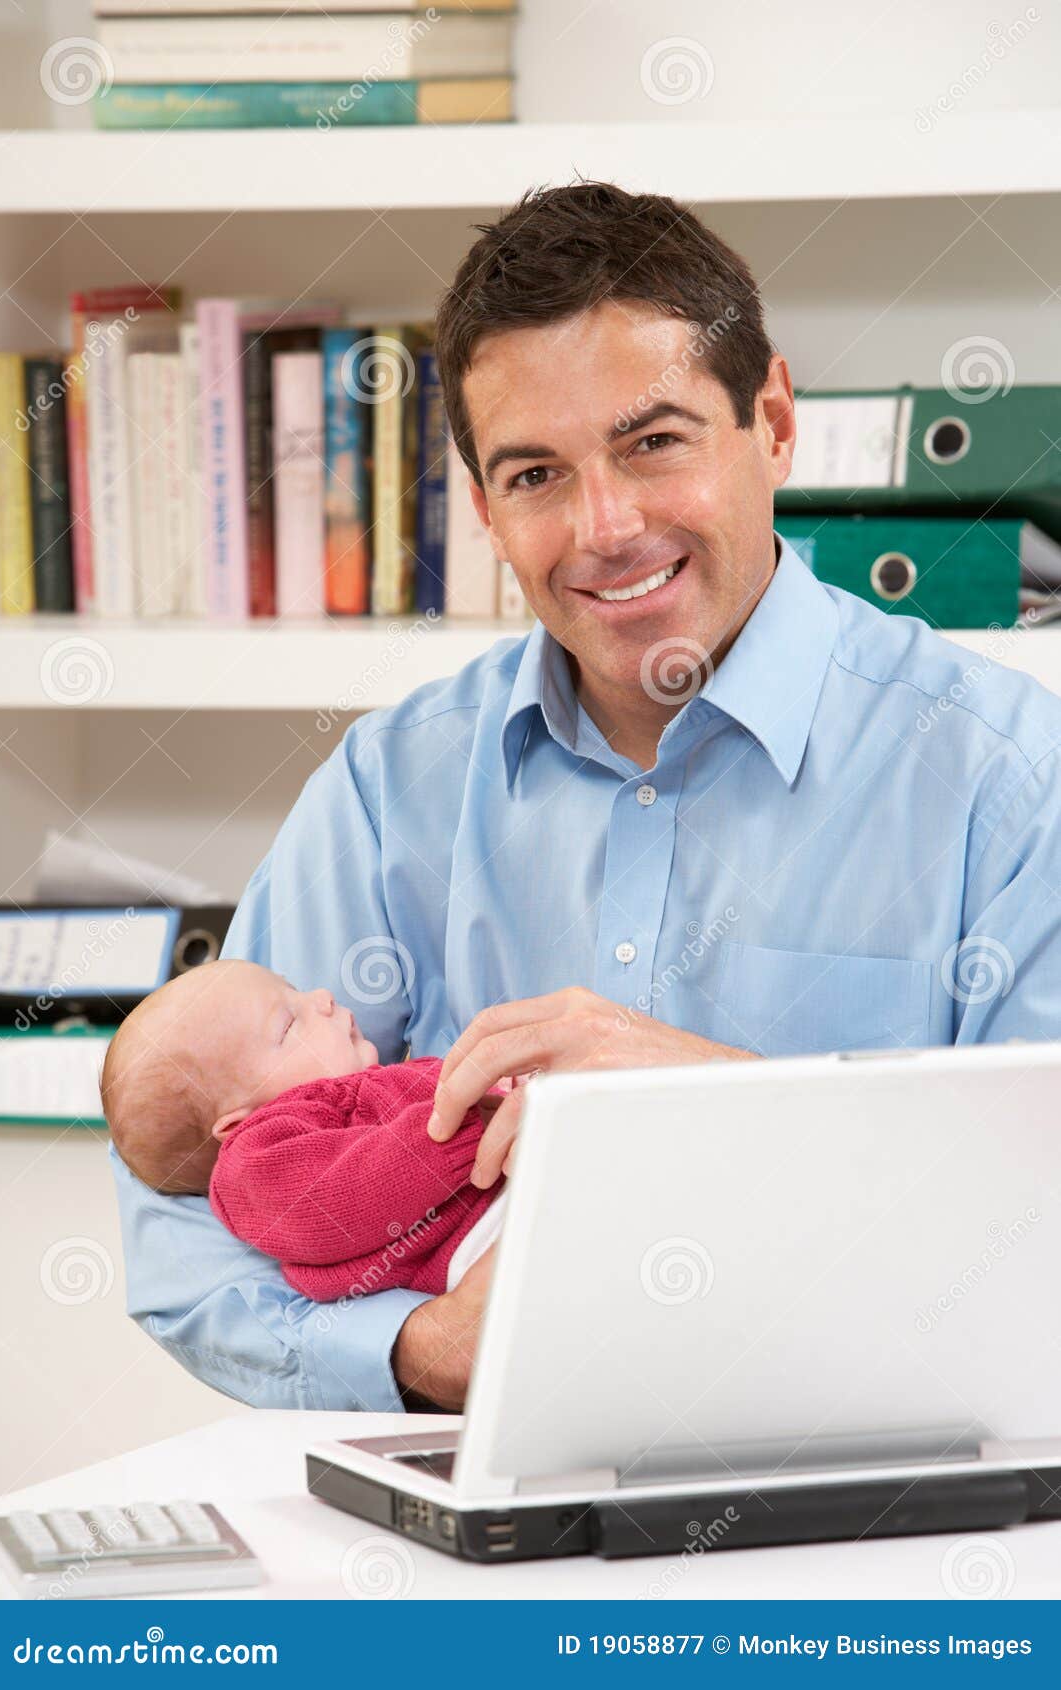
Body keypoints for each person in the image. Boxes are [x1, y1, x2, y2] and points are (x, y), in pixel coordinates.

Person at [111, 180, 1061, 1417]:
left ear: (772, 422)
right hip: (470, 1510)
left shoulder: (1008, 778)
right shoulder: (391, 787)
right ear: (485, 506)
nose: (603, 527)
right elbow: (184, 1221)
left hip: (881, 1493)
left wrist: (723, 1108)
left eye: (651, 441)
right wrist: (434, 1350)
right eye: (534, 474)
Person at [100, 960, 505, 1299]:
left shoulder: (362, 1096)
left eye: (296, 989)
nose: (323, 998)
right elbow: (347, 1195)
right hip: (478, 1244)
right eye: (289, 1023)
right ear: (240, 1123)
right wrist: (463, 1122)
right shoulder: (254, 1166)